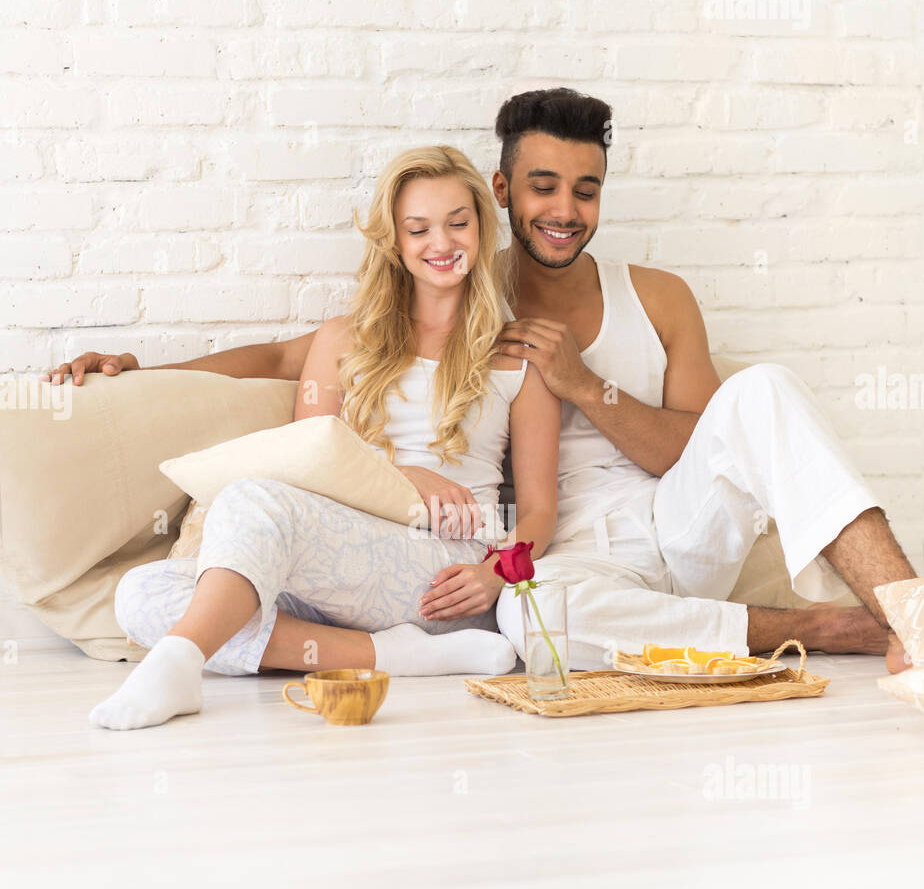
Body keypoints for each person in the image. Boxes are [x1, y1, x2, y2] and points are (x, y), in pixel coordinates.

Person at [54, 89, 916, 676]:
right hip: (560, 560)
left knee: (761, 388)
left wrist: (582, 384)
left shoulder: (657, 297)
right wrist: (140, 367)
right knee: (533, 629)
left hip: (680, 526)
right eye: (543, 186)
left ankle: (909, 618)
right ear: (502, 191)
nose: (564, 210)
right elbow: (288, 357)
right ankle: (820, 632)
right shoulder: (461, 294)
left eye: (586, 190)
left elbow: (712, 446)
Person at [88, 146, 559, 729]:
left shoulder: (519, 356)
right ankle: (395, 655)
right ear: (394, 241)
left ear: (482, 228)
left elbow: (539, 511)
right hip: (338, 563)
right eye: (419, 229)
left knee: (249, 499)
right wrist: (136, 373)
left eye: (458, 223)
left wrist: (494, 575)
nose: (442, 244)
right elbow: (303, 461)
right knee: (140, 594)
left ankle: (180, 665)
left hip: (447, 572)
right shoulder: (344, 339)